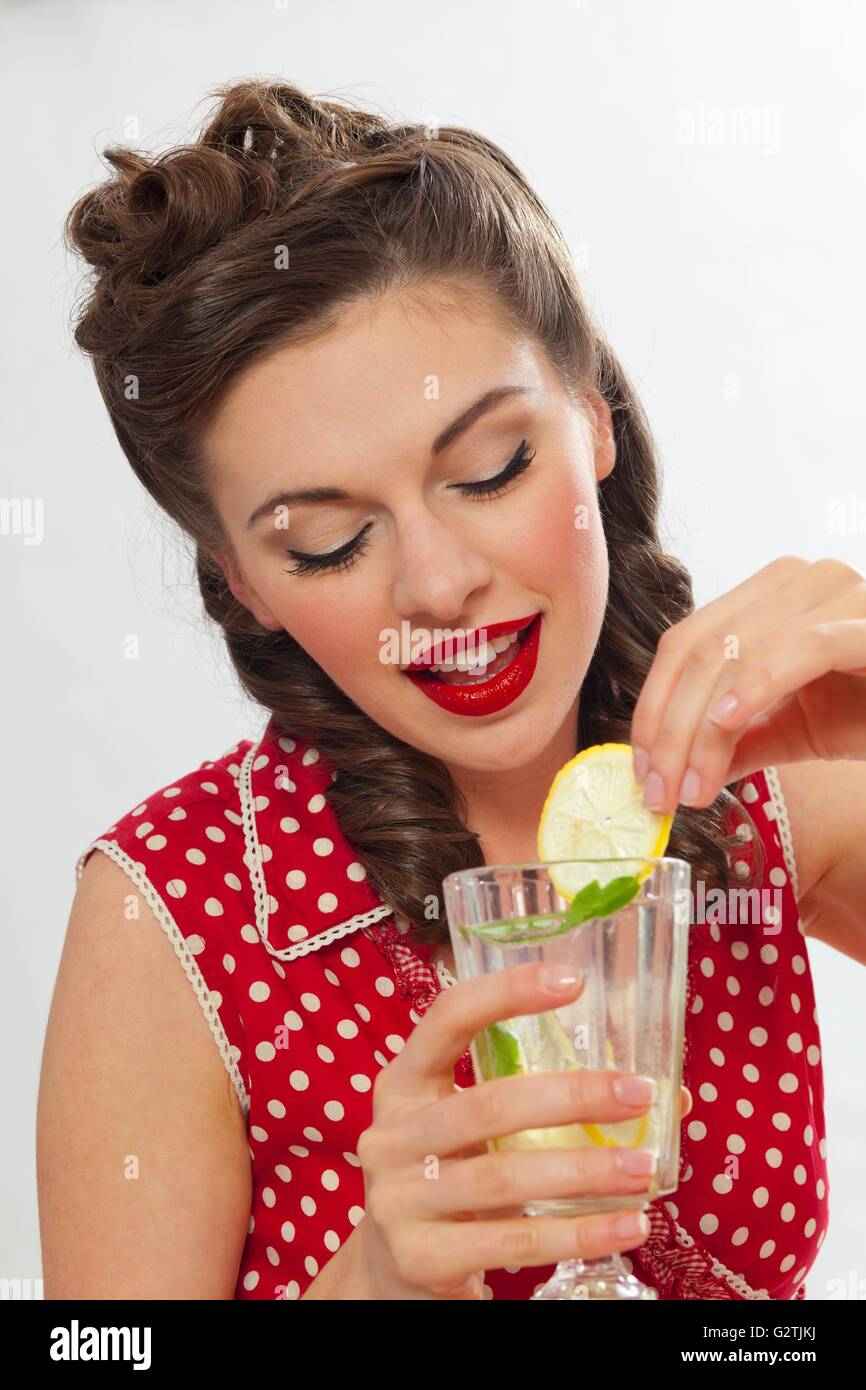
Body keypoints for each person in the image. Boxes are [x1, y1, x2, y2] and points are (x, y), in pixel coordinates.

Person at [38, 78, 866, 1300]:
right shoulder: (169, 912)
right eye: (324, 541)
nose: (437, 586)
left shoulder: (753, 776)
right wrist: (373, 1282)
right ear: (245, 582)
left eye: (490, 466)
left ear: (591, 415)